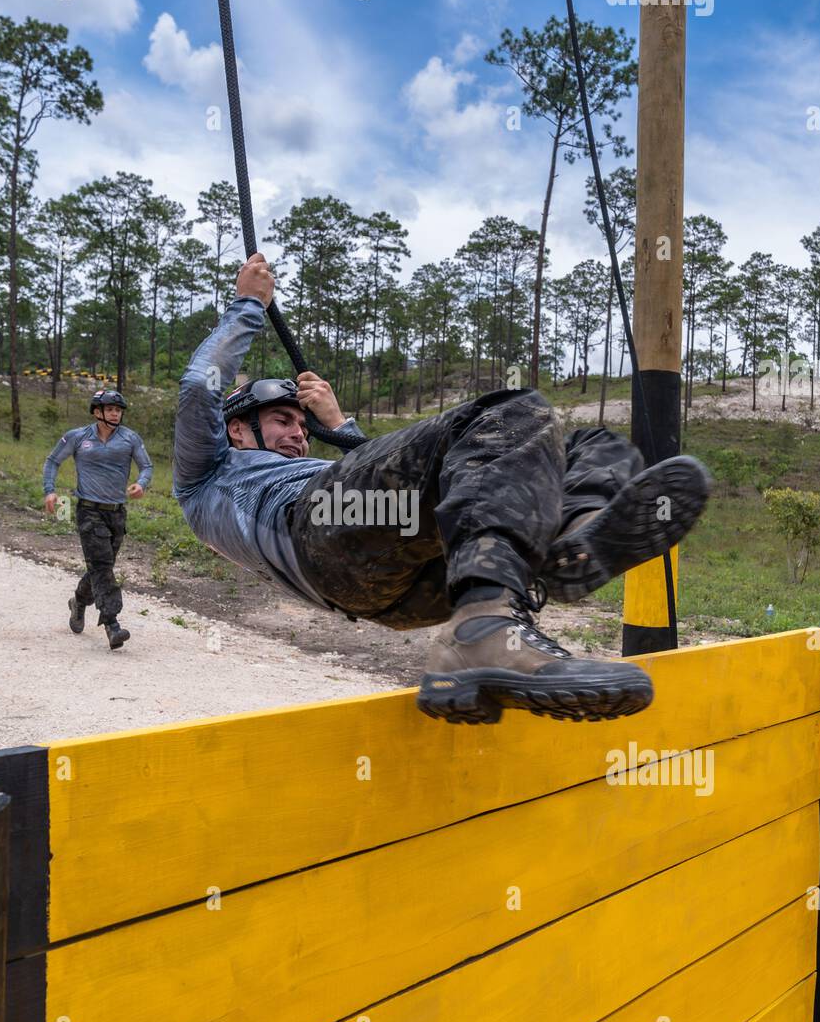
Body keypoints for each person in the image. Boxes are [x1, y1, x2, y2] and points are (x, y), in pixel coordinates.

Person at [175, 253, 711, 724]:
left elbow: (403, 491)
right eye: (280, 421)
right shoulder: (207, 478)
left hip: (409, 588)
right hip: (313, 540)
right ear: (236, 430)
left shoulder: (316, 472)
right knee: (512, 413)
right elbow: (201, 385)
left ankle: (565, 548)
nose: (296, 432)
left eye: (299, 423)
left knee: (594, 446)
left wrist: (340, 429)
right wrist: (249, 304)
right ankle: (488, 623)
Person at [42, 389, 153, 650]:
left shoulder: (130, 438)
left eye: (119, 409)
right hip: (88, 510)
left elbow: (146, 466)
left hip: (116, 512)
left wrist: (141, 483)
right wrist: (50, 490)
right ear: (97, 411)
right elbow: (52, 461)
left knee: (100, 567)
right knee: (102, 566)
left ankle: (79, 601)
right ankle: (112, 624)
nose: (116, 413)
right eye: (110, 409)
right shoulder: (78, 436)